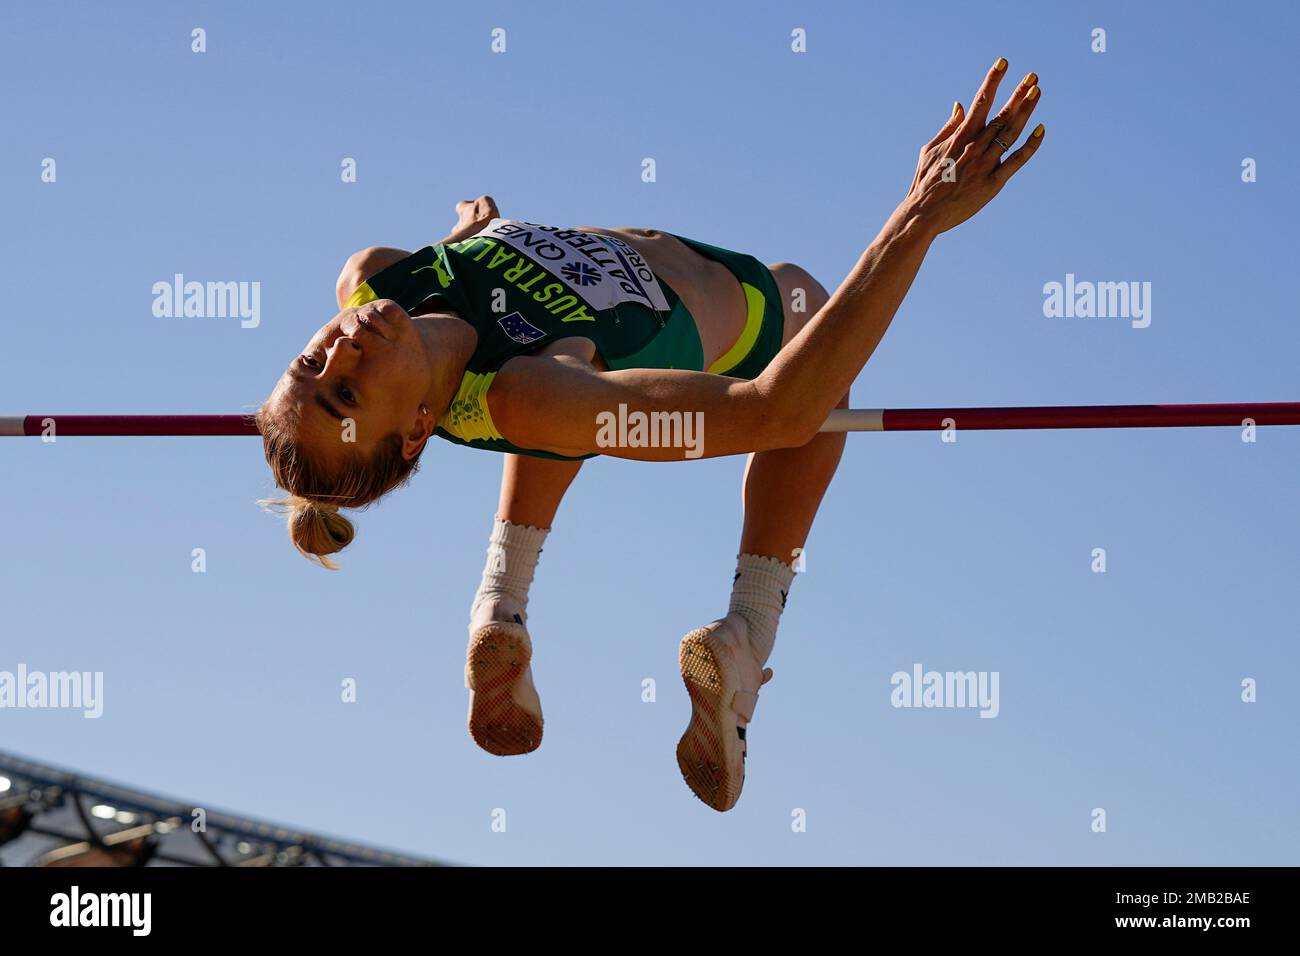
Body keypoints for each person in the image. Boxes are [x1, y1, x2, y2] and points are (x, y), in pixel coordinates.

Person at [258, 58, 1044, 811]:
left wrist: (466, 238)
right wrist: (918, 218)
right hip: (751, 317)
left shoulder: (378, 274)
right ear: (418, 432)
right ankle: (746, 634)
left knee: (546, 405)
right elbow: (779, 410)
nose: (341, 349)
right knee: (799, 339)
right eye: (348, 393)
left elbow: (450, 300)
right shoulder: (534, 391)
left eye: (309, 363)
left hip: (585, 327)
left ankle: (504, 604)